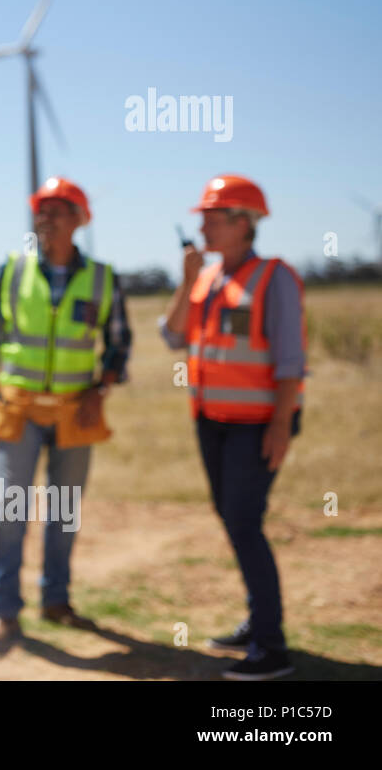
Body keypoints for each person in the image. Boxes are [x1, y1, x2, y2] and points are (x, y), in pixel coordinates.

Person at [0, 177, 131, 650]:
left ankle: (56, 601)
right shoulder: (12, 271)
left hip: (75, 413)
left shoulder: (103, 278)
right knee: (11, 511)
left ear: (81, 220)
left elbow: (119, 345)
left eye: (60, 210)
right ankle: (4, 613)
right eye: (42, 210)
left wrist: (100, 389)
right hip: (19, 410)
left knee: (64, 512)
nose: (48, 218)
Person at [159, 174, 305, 680]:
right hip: (213, 422)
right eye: (202, 217)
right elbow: (172, 338)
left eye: (212, 217)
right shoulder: (205, 278)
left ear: (245, 224)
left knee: (244, 523)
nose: (202, 225)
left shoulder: (274, 278)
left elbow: (290, 361)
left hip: (258, 425)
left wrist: (281, 426)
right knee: (233, 519)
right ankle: (257, 622)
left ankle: (272, 647)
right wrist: (185, 279)